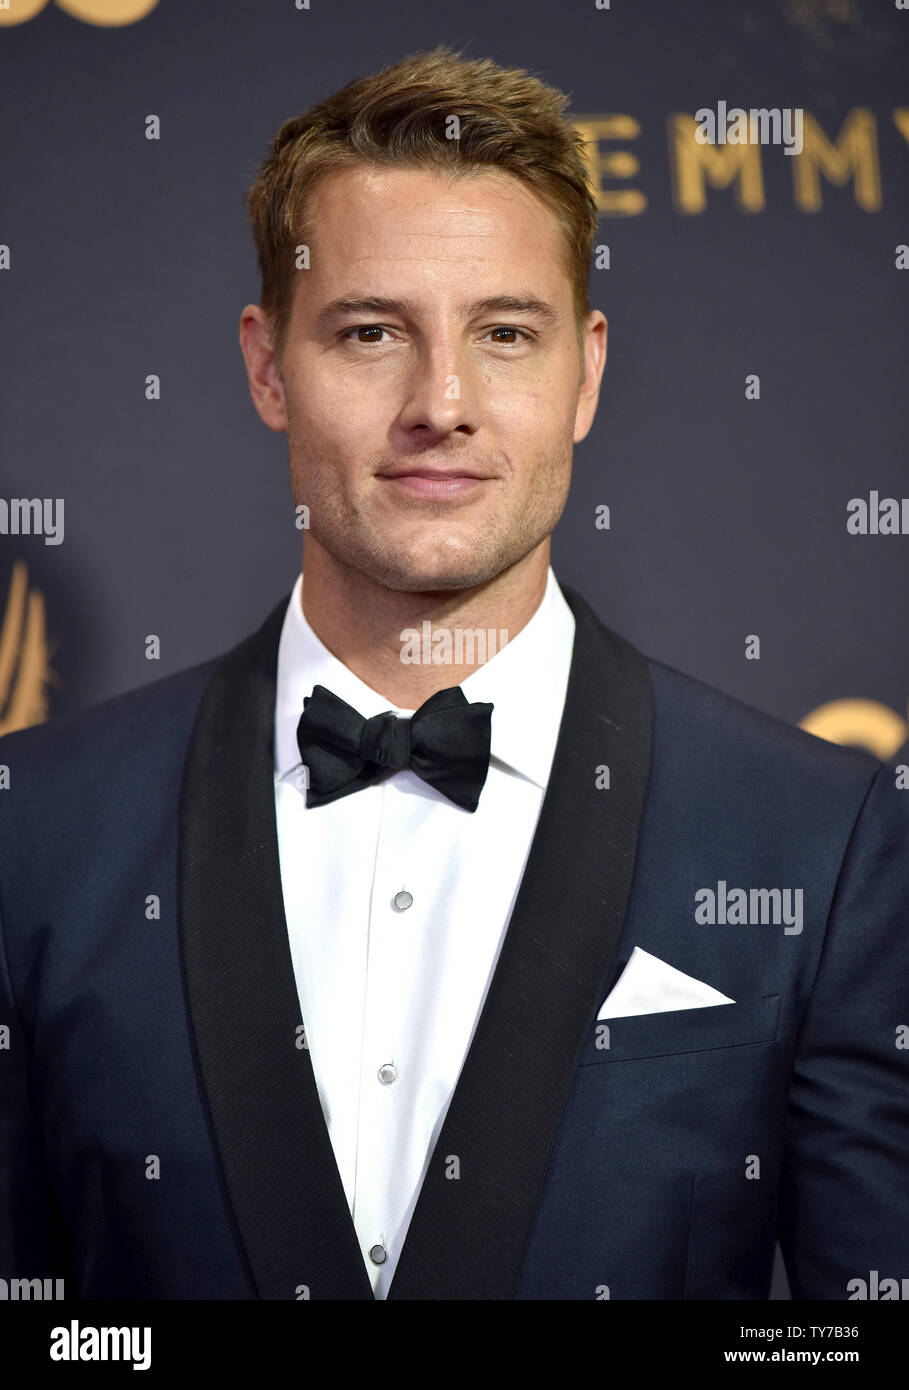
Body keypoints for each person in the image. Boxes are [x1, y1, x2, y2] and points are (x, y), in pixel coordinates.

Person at [1, 45, 906, 1302]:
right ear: (268, 366)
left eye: (506, 333)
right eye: (371, 331)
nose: (443, 401)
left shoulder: (819, 836)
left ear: (586, 371)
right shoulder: (38, 827)